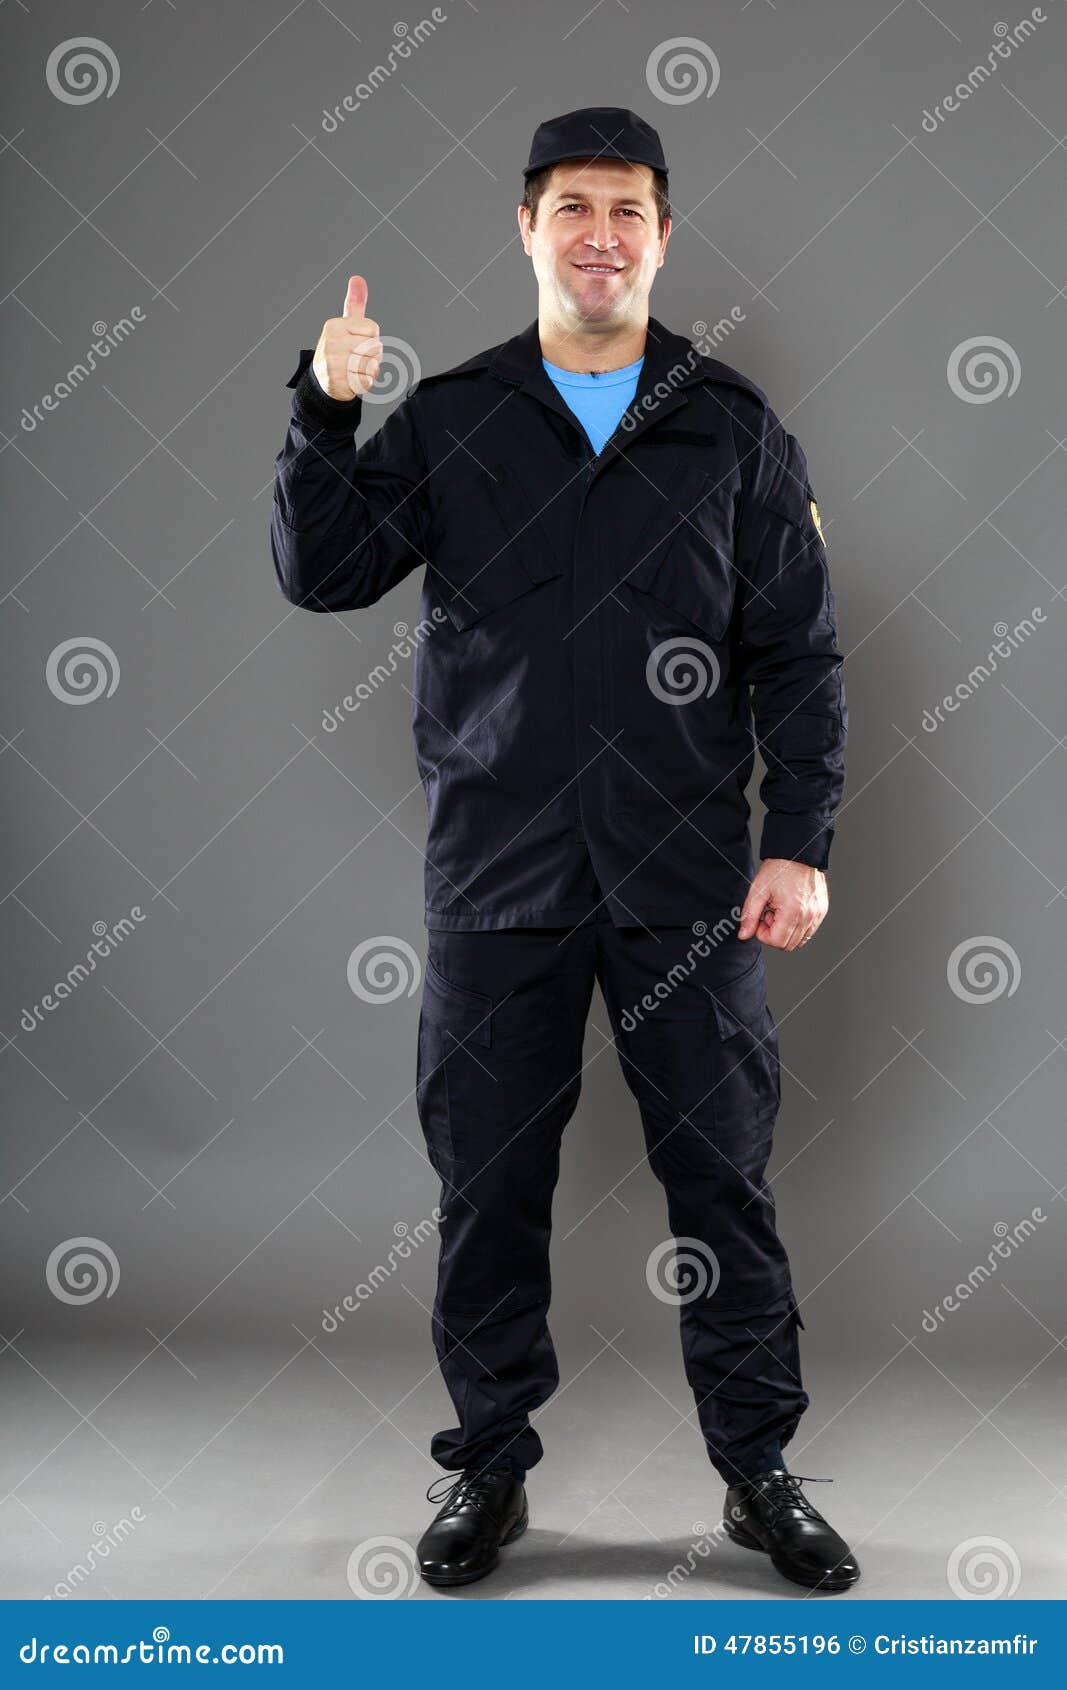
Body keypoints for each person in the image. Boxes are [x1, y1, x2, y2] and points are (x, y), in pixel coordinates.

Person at [270, 105, 857, 1594]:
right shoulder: (460, 414)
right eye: (573, 208)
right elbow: (325, 571)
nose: (602, 234)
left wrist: (798, 840)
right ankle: (487, 1470)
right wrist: (324, 413)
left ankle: (759, 1470)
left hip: (685, 887)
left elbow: (797, 654)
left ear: (663, 238)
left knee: (722, 1181)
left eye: (631, 212)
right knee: (487, 1186)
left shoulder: (731, 426)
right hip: (499, 882)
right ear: (526, 229)